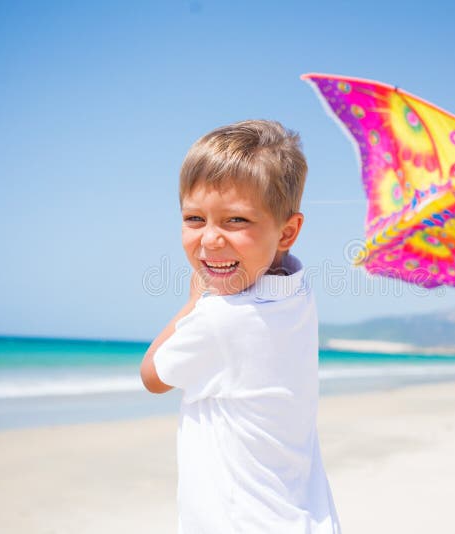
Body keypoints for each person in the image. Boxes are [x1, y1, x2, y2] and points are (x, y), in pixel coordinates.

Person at [140, 120, 342, 533]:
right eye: (195, 218)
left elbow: (153, 375)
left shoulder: (220, 319)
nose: (211, 240)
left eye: (235, 221)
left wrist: (195, 299)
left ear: (288, 231)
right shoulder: (296, 292)